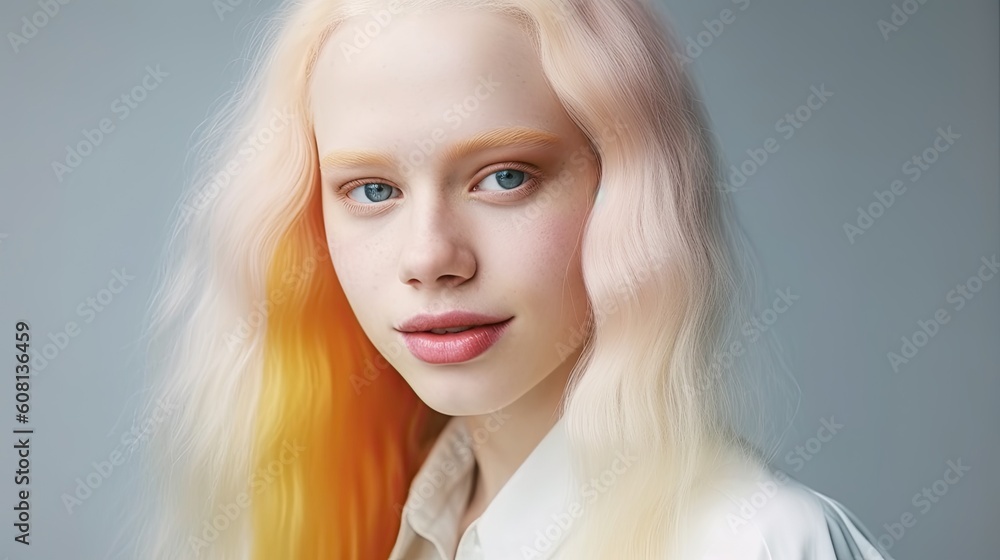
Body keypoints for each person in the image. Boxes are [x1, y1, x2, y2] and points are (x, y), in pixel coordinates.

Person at [132, 0, 895, 558]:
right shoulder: (377, 524)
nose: (430, 257)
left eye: (504, 177)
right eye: (372, 190)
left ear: (621, 190)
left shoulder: (752, 543)